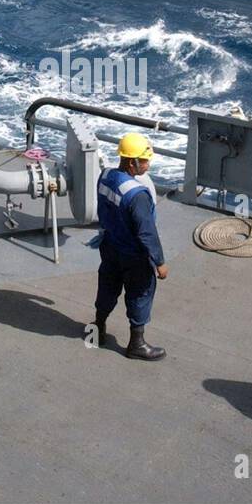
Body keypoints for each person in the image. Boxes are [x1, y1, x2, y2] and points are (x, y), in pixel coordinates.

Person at [93, 132, 168, 361]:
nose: (148, 164)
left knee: (107, 285)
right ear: (132, 161)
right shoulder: (137, 195)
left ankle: (97, 328)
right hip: (133, 256)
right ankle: (136, 344)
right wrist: (160, 262)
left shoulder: (105, 176)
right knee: (140, 293)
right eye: (145, 160)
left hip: (110, 245)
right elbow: (147, 233)